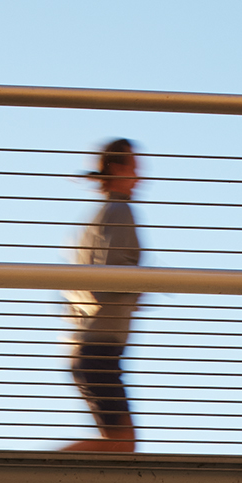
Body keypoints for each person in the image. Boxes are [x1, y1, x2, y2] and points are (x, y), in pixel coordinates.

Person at [64, 138, 142, 453]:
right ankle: (29, 476)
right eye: (135, 169)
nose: (140, 179)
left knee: (121, 445)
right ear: (119, 169)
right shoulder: (120, 210)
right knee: (122, 445)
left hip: (94, 348)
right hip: (98, 349)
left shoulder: (99, 217)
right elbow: (110, 276)